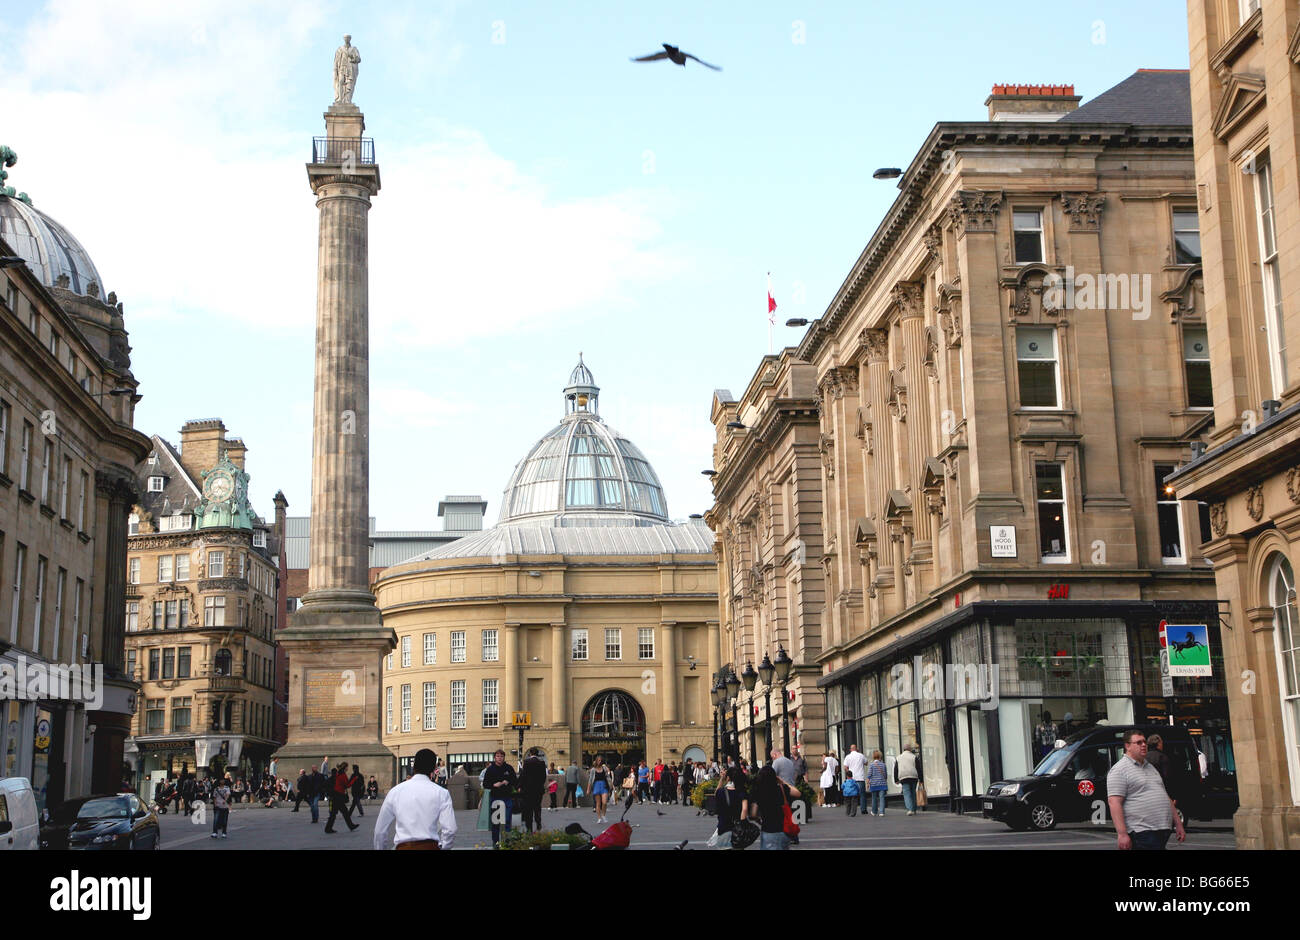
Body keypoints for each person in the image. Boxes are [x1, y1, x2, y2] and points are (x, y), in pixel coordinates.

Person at [1107, 729, 1186, 850]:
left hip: (1161, 830)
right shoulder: (1119, 770)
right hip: (1141, 831)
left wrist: (1178, 824)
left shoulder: (1150, 767)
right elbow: (1114, 802)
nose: (1143, 745)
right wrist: (1122, 834)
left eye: (1144, 742)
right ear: (1127, 746)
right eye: (1138, 743)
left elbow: (1165, 796)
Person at [373, 748, 457, 850]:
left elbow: (380, 831)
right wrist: (445, 847)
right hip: (430, 846)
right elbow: (450, 829)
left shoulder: (395, 791)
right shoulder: (442, 793)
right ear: (434, 768)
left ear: (414, 766)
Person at [753, 765, 800, 851]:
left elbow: (753, 813)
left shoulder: (758, 791)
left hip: (768, 830)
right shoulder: (781, 789)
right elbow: (797, 793)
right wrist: (782, 782)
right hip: (783, 829)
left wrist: (758, 819)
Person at [481, 749, 518, 848]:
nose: (499, 758)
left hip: (507, 797)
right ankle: (496, 842)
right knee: (496, 823)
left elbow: (515, 781)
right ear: (494, 758)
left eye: (501, 756)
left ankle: (507, 841)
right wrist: (494, 785)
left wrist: (508, 782)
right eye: (497, 756)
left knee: (507, 821)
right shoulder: (490, 769)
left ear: (504, 757)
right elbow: (485, 784)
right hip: (495, 798)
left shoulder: (509, 768)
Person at [713, 766, 749, 850]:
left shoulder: (721, 792)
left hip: (723, 828)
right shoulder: (742, 791)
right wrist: (742, 824)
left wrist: (722, 779)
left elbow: (716, 793)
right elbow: (744, 809)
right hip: (737, 830)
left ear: (728, 778)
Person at [323, 758, 360, 834]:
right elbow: (347, 785)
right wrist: (354, 779)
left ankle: (328, 828)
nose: (348, 768)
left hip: (335, 795)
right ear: (345, 767)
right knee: (344, 812)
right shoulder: (342, 775)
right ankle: (350, 826)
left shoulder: (338, 774)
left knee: (335, 813)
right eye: (347, 767)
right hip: (338, 796)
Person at [518, 747, 547, 834]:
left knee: (528, 809)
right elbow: (543, 777)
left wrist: (519, 785)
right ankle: (538, 822)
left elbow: (523, 776)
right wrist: (540, 785)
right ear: (537, 754)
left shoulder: (526, 763)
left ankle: (529, 828)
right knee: (537, 807)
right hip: (538, 790)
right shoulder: (542, 763)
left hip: (528, 790)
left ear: (530, 754)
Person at [895, 743, 922, 815]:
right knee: (913, 793)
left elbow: (896, 769)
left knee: (907, 794)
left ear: (904, 749)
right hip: (913, 777)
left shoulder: (898, 757)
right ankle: (914, 809)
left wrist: (896, 779)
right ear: (910, 749)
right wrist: (921, 778)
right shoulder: (914, 757)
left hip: (904, 777)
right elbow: (918, 768)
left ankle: (910, 809)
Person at [843, 744, 868, 816]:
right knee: (862, 794)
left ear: (851, 749)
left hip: (852, 779)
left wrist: (849, 773)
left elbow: (845, 767)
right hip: (860, 777)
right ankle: (863, 810)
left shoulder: (848, 757)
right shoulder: (861, 755)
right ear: (856, 749)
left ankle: (851, 810)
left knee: (851, 795)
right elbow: (866, 763)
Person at [589, 756, 612, 823]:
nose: (599, 762)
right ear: (596, 761)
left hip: (604, 785)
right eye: (598, 760)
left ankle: (603, 815)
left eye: (601, 760)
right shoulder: (593, 770)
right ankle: (599, 817)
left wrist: (611, 785)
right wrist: (588, 789)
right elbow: (590, 780)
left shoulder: (604, 768)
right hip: (596, 786)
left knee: (604, 802)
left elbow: (608, 776)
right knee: (598, 803)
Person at [867, 750, 888, 816]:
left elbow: (869, 775)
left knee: (874, 798)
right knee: (882, 798)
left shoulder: (871, 765)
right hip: (882, 783)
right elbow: (885, 775)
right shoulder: (883, 764)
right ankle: (882, 812)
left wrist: (867, 783)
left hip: (874, 784)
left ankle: (874, 811)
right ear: (880, 756)